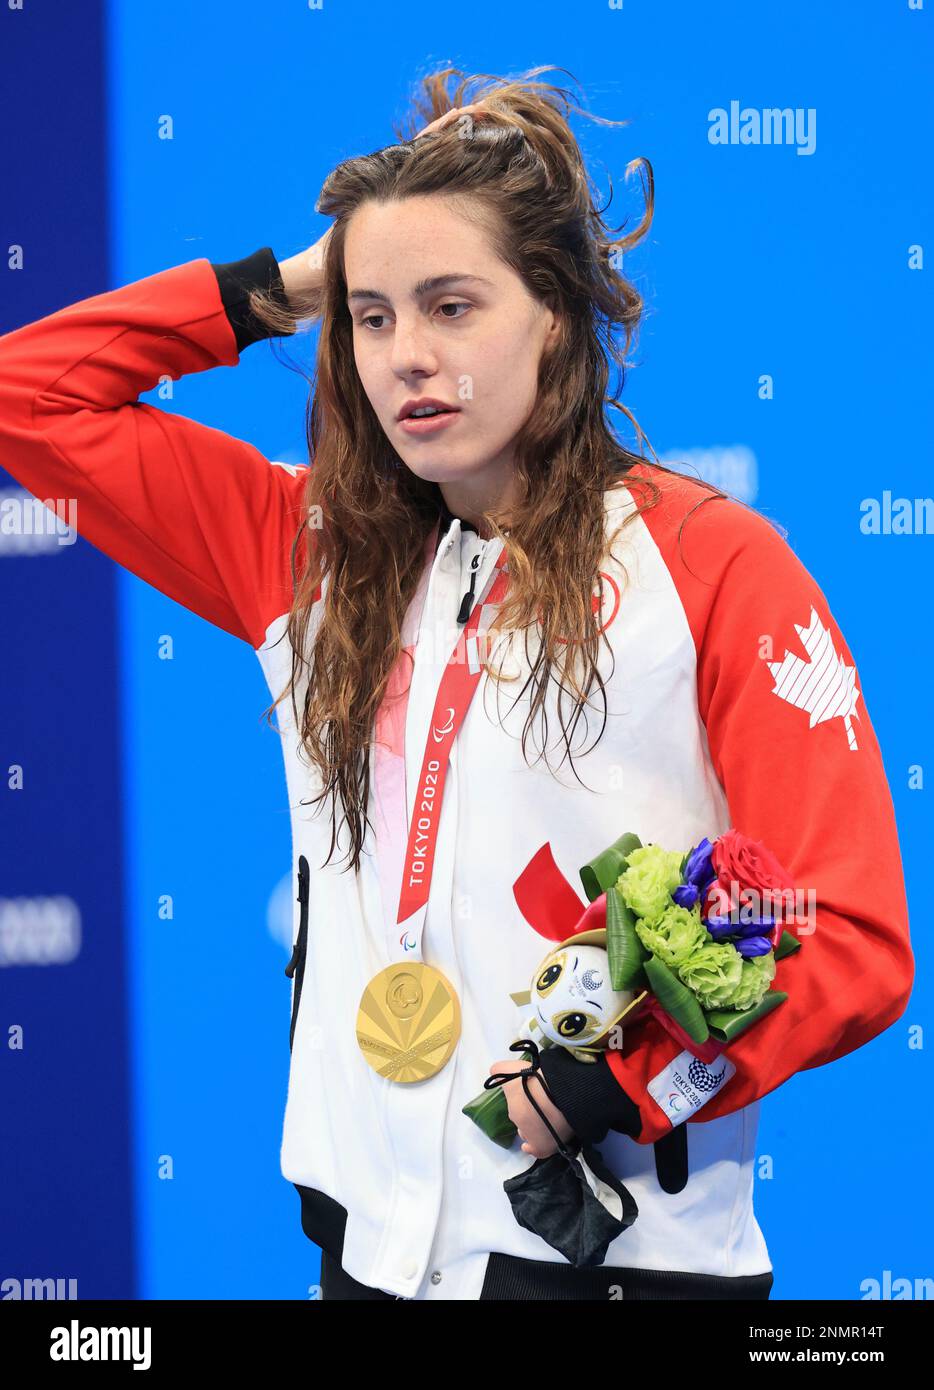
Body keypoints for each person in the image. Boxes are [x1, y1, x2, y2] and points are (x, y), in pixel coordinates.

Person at [0, 66, 913, 1302]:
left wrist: (621, 1080)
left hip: (615, 1266)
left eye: (450, 304)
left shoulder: (712, 565)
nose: (405, 359)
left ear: (553, 314)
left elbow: (841, 933)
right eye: (371, 319)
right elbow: (26, 394)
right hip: (363, 1260)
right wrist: (287, 287)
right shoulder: (303, 554)